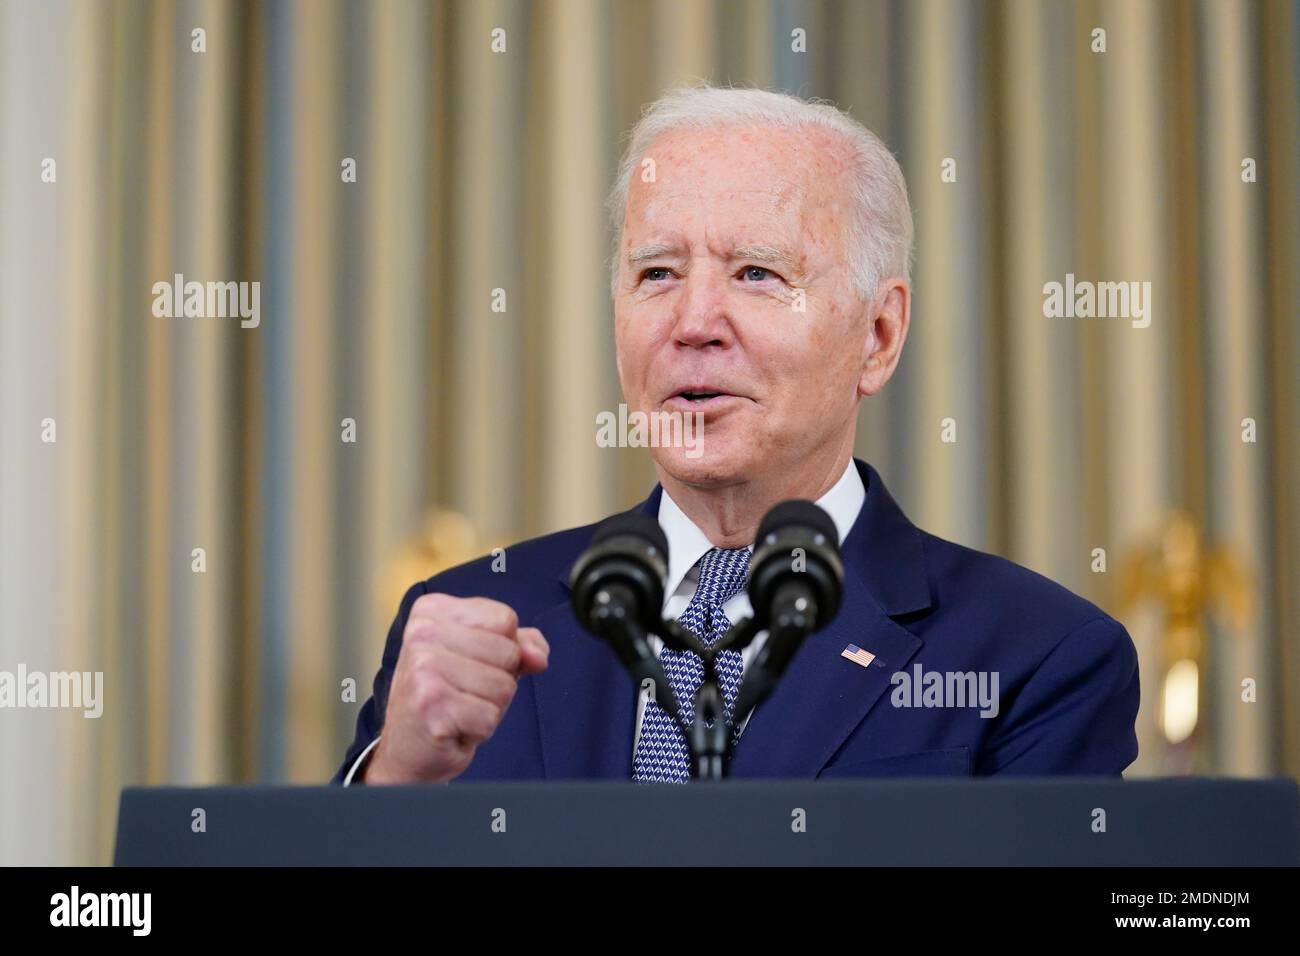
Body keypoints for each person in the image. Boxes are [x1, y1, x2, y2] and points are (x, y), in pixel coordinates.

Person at [334, 85, 1139, 786]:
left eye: (757, 273)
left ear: (880, 335)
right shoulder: (478, 622)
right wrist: (396, 781)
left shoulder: (1035, 658)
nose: (692, 323)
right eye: (657, 273)